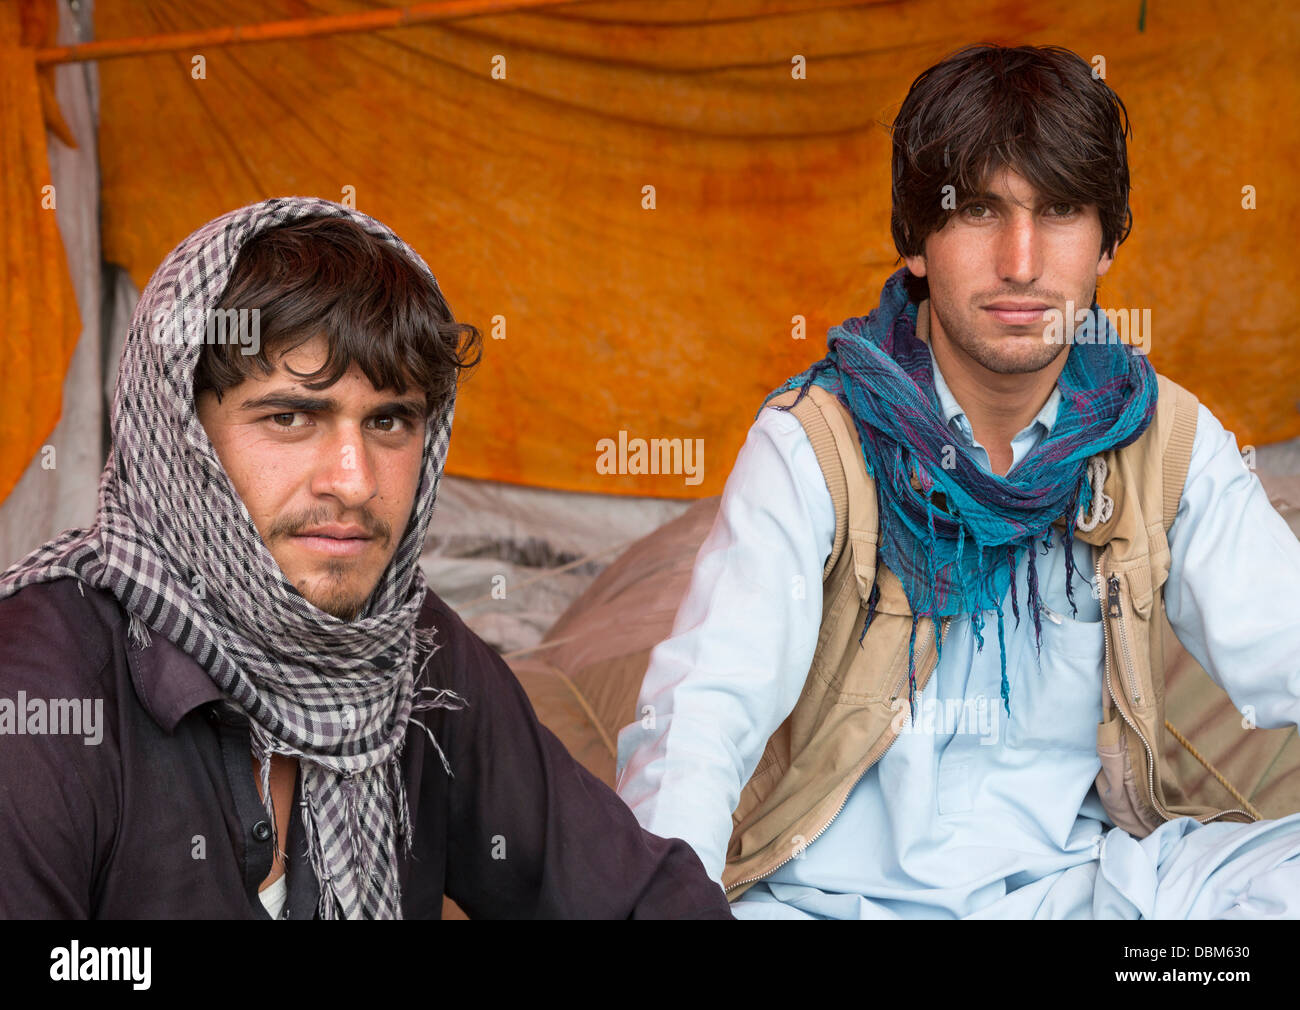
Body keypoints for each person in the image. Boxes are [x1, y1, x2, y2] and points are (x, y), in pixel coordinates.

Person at [615, 43, 1300, 918]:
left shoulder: (1157, 435)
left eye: (1058, 211)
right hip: (831, 905)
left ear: (1106, 244)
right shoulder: (817, 443)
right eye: (979, 210)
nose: (1021, 261)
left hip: (1084, 897)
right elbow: (702, 715)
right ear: (916, 242)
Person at [0, 197, 732, 920]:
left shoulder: (410, 650)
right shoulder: (39, 696)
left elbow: (640, 896)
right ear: (178, 436)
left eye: (389, 421)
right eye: (290, 417)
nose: (353, 481)